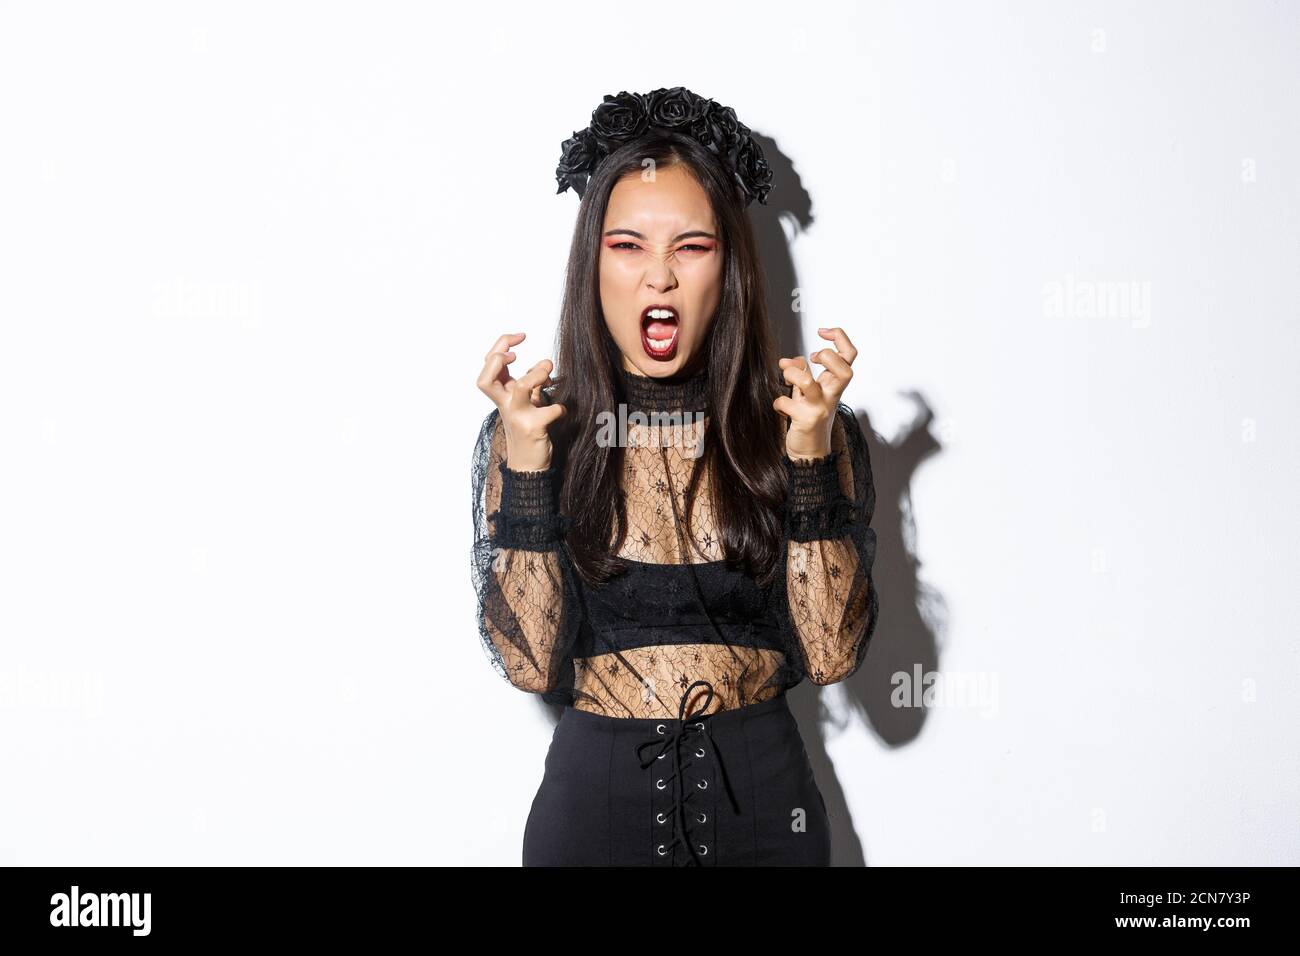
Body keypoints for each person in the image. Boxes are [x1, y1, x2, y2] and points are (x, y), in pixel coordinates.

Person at [470, 87, 879, 866]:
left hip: (765, 813)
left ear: (730, 267)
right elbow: (527, 665)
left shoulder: (799, 423)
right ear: (593, 264)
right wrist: (526, 472)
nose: (658, 276)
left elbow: (830, 655)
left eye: (690, 246)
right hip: (592, 820)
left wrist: (812, 461)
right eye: (628, 246)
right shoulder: (535, 431)